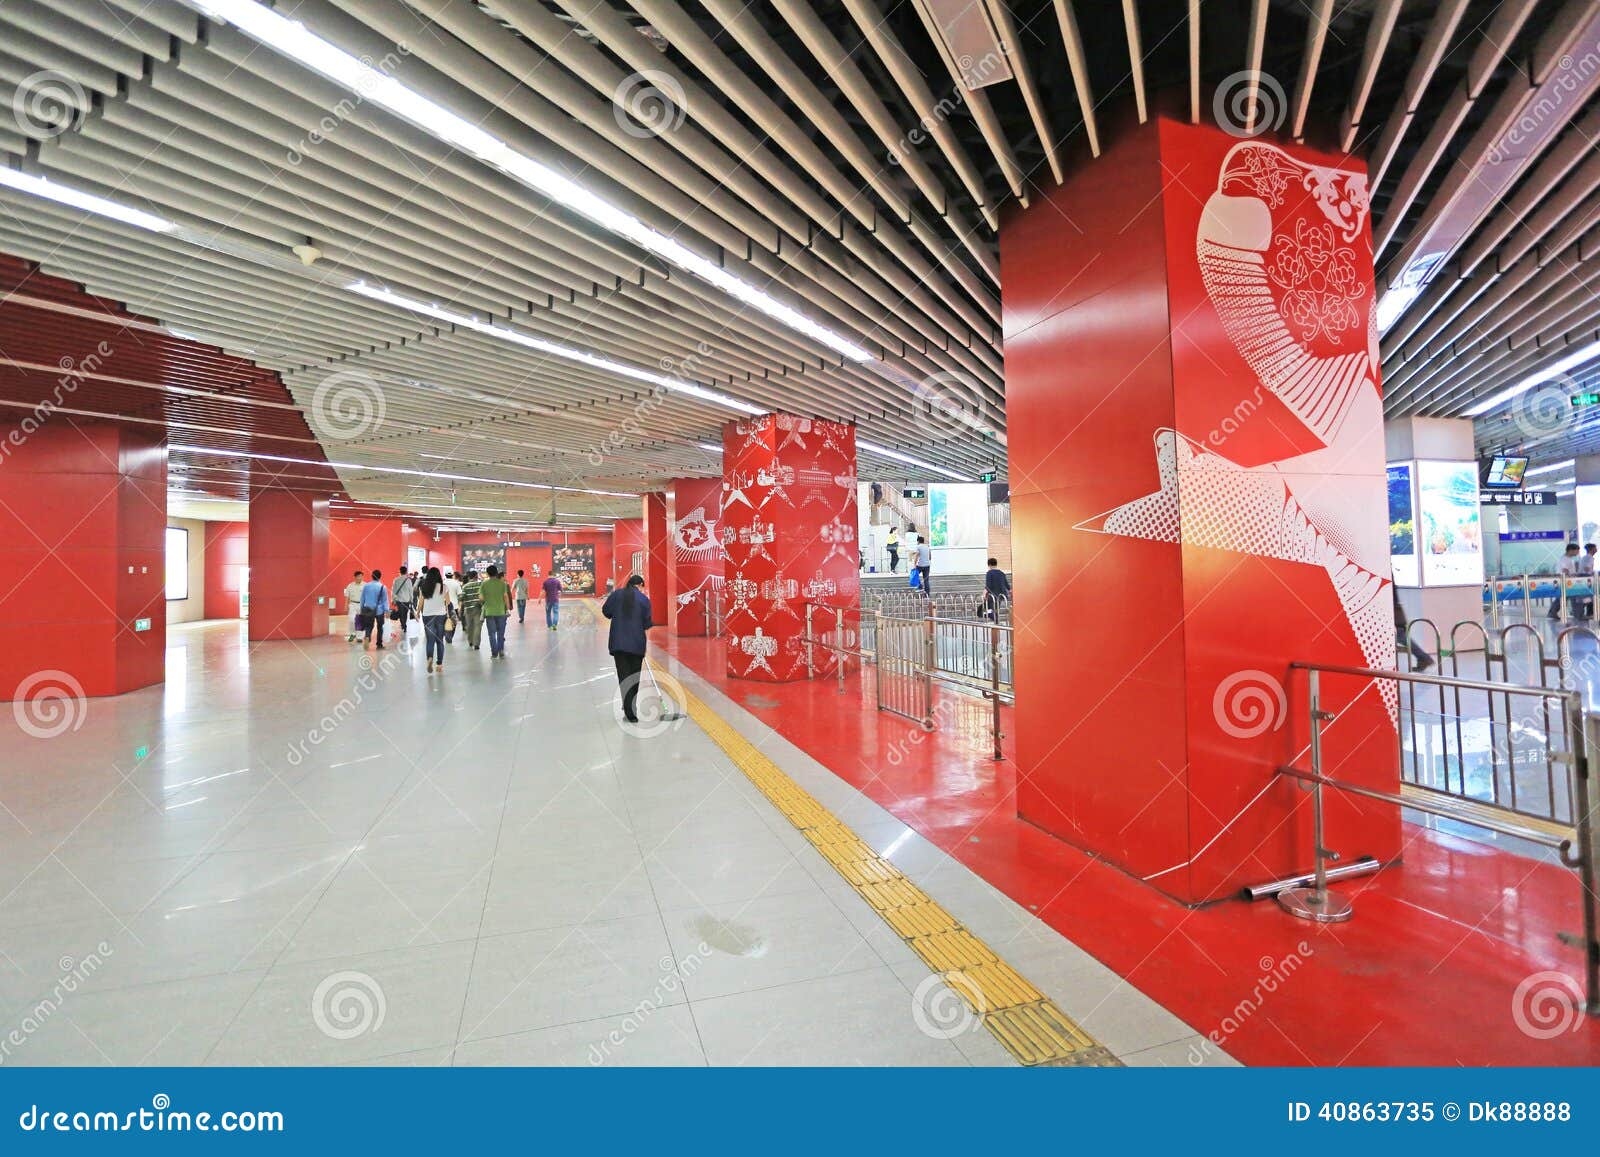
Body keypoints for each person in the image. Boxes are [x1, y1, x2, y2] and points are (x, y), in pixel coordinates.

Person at [602, 574, 653, 724]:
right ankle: (631, 708)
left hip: (618, 643)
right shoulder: (644, 600)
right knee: (634, 676)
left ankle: (628, 708)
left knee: (623, 676)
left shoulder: (616, 595)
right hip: (636, 643)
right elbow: (647, 623)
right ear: (640, 585)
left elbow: (606, 612)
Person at [417, 566, 453, 673]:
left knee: (430, 640)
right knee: (439, 640)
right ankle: (439, 665)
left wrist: (418, 612)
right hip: (440, 616)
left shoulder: (424, 587)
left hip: (427, 616)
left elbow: (421, 602)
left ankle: (429, 659)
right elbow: (448, 602)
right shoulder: (444, 587)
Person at [480, 565, 512, 660]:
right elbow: (505, 596)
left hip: (489, 612)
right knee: (500, 632)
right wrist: (508, 608)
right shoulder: (502, 584)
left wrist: (485, 601)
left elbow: (481, 598)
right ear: (496, 573)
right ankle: (501, 650)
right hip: (501, 611)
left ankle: (494, 653)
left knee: (492, 634)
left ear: (487, 573)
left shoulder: (484, 584)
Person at [1394, 588, 1431, 671]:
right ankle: (1424, 658)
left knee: (1401, 637)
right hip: (1395, 614)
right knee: (1402, 638)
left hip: (1394, 616)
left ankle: (1424, 658)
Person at [359, 568, 390, 649]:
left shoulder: (366, 586)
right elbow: (385, 600)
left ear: (372, 576)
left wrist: (362, 607)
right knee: (380, 627)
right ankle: (379, 644)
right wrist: (387, 610)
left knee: (369, 626)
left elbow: (362, 598)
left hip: (368, 609)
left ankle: (367, 637)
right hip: (379, 610)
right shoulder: (382, 587)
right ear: (380, 577)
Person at [1551, 543, 1581, 619]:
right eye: (1577, 551)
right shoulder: (1564, 559)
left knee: (1563, 598)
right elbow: (1564, 570)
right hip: (1566, 582)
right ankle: (1578, 615)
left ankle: (1552, 612)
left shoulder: (1569, 559)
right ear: (1571, 550)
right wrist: (1572, 576)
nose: (1578, 553)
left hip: (1569, 581)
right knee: (1571, 597)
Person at [460, 568, 484, 650]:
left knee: (469, 626)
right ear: (476, 576)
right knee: (478, 626)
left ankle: (470, 641)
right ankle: (476, 643)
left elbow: (461, 597)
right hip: (478, 608)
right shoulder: (480, 584)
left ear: (469, 577)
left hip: (468, 609)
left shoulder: (465, 586)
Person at [392, 566, 418, 641]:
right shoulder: (408, 580)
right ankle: (404, 625)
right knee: (405, 613)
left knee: (400, 613)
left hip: (399, 600)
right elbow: (411, 591)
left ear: (399, 571)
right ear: (406, 572)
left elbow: (394, 590)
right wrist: (412, 599)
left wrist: (393, 599)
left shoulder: (396, 580)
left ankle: (403, 625)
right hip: (406, 600)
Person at [343, 569, 365, 642]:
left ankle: (359, 637)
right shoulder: (350, 585)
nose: (360, 578)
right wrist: (345, 605)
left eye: (361, 576)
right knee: (351, 620)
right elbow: (347, 596)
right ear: (355, 577)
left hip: (362, 604)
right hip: (352, 604)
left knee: (360, 620)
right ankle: (352, 634)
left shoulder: (365, 585)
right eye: (359, 576)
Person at [443, 568, 464, 643]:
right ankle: (450, 636)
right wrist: (460, 606)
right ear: (452, 575)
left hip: (444, 607)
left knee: (445, 621)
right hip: (454, 606)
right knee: (454, 622)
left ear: (445, 575)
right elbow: (460, 596)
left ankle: (447, 635)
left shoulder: (442, 583)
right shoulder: (456, 583)